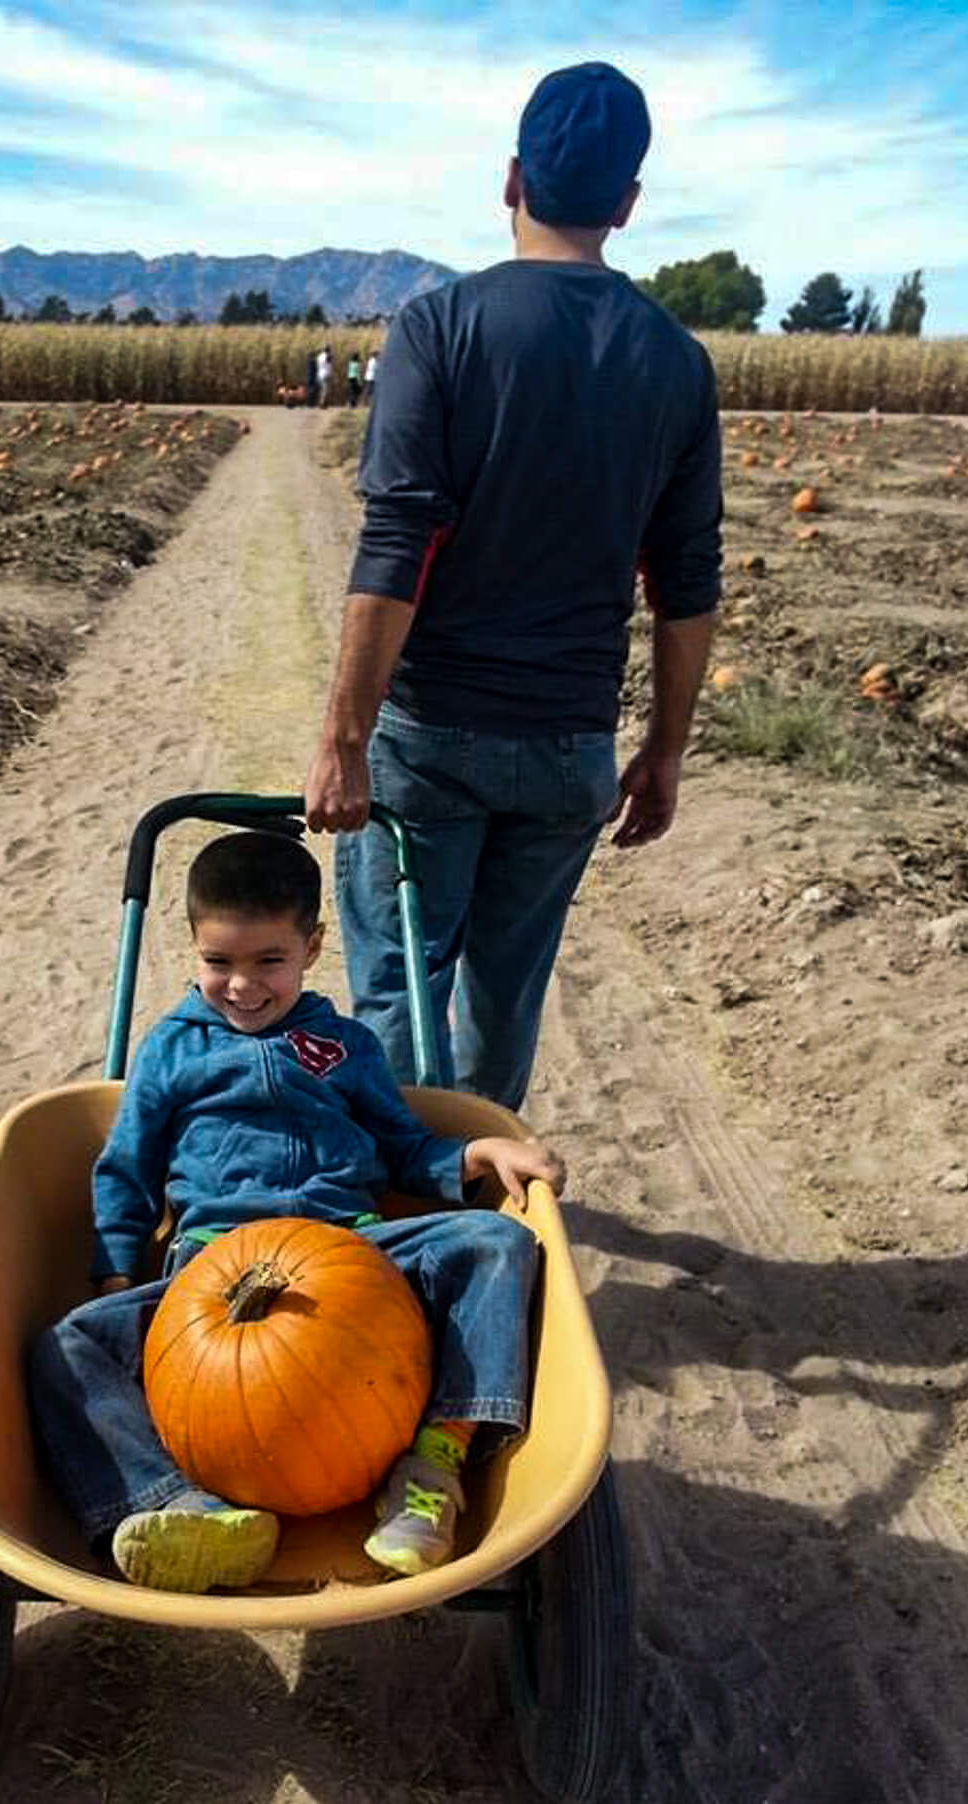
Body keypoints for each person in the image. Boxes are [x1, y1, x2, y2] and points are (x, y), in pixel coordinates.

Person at [304, 61, 722, 1109]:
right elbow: (687, 582)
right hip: (570, 744)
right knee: (506, 991)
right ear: (626, 204)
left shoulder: (439, 329)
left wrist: (345, 737)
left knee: (400, 981)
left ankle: (402, 1219)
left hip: (432, 735)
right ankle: (483, 1196)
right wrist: (664, 748)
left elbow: (396, 543)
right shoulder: (675, 361)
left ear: (510, 182)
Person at [28, 831, 564, 1595]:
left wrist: (476, 1156)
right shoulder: (171, 1052)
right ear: (192, 948)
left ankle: (433, 1463)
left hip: (354, 1254)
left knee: (495, 1240)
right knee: (64, 1347)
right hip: (215, 1279)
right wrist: (116, 1273)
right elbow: (127, 1169)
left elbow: (403, 1147)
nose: (242, 986)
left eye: (267, 962)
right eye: (219, 963)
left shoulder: (346, 1046)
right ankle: (171, 1504)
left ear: (311, 948)